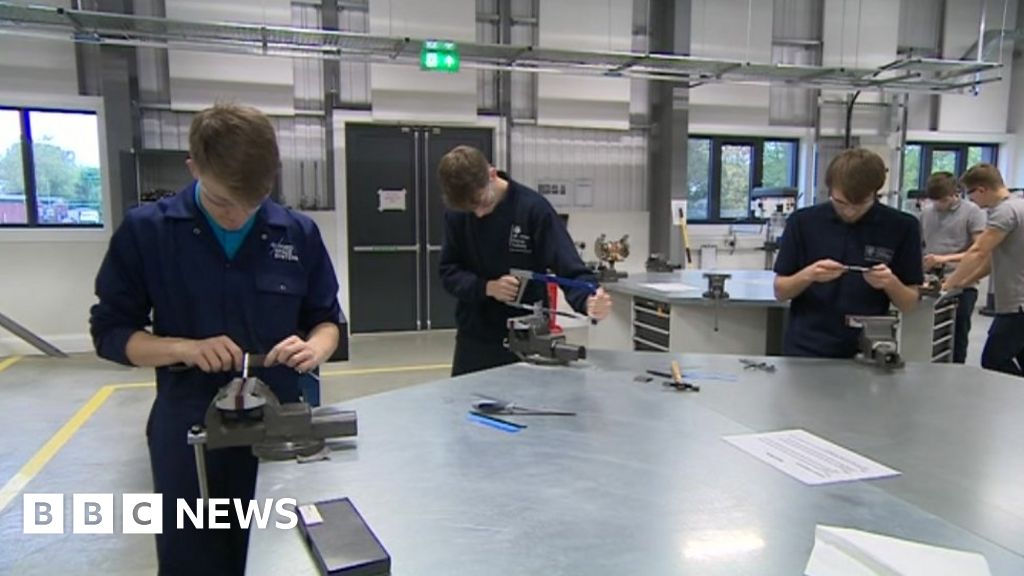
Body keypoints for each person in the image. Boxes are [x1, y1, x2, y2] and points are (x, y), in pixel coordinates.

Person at [89, 103, 344, 575]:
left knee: (281, 556)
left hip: (280, 429)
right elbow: (111, 332)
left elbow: (328, 321)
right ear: (194, 168)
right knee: (193, 560)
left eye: (254, 201)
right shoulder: (148, 232)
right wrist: (182, 348)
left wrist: (316, 348)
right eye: (225, 202)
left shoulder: (298, 233)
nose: (239, 215)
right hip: (190, 429)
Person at [437, 145, 612, 376]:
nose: (478, 213)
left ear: (492, 174)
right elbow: (449, 271)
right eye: (471, 208)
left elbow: (568, 267)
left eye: (482, 202)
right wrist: (486, 287)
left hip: (527, 338)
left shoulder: (533, 209)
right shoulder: (458, 214)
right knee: (464, 408)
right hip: (475, 337)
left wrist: (589, 300)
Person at [773, 148, 923, 358]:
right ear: (830, 190)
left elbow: (909, 303)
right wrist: (809, 275)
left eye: (860, 204)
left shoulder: (902, 227)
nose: (850, 211)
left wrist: (890, 283)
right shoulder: (802, 222)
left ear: (875, 193)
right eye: (841, 203)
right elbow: (781, 291)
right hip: (806, 348)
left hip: (869, 349)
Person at [943, 163, 1024, 377]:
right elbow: (991, 261)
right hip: (1017, 302)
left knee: (994, 359)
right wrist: (963, 281)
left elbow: (979, 250)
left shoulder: (1004, 211)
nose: (972, 201)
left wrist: (947, 284)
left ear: (981, 189)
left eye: (971, 195)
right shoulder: (1019, 205)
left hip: (1018, 305)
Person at [919, 171, 986, 363]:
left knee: (957, 332)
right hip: (932, 282)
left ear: (954, 193)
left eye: (941, 200)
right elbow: (920, 245)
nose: (938, 204)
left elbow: (979, 250)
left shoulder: (972, 212)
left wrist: (944, 258)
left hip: (963, 283)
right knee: (930, 332)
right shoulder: (926, 213)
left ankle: (957, 370)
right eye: (934, 200)